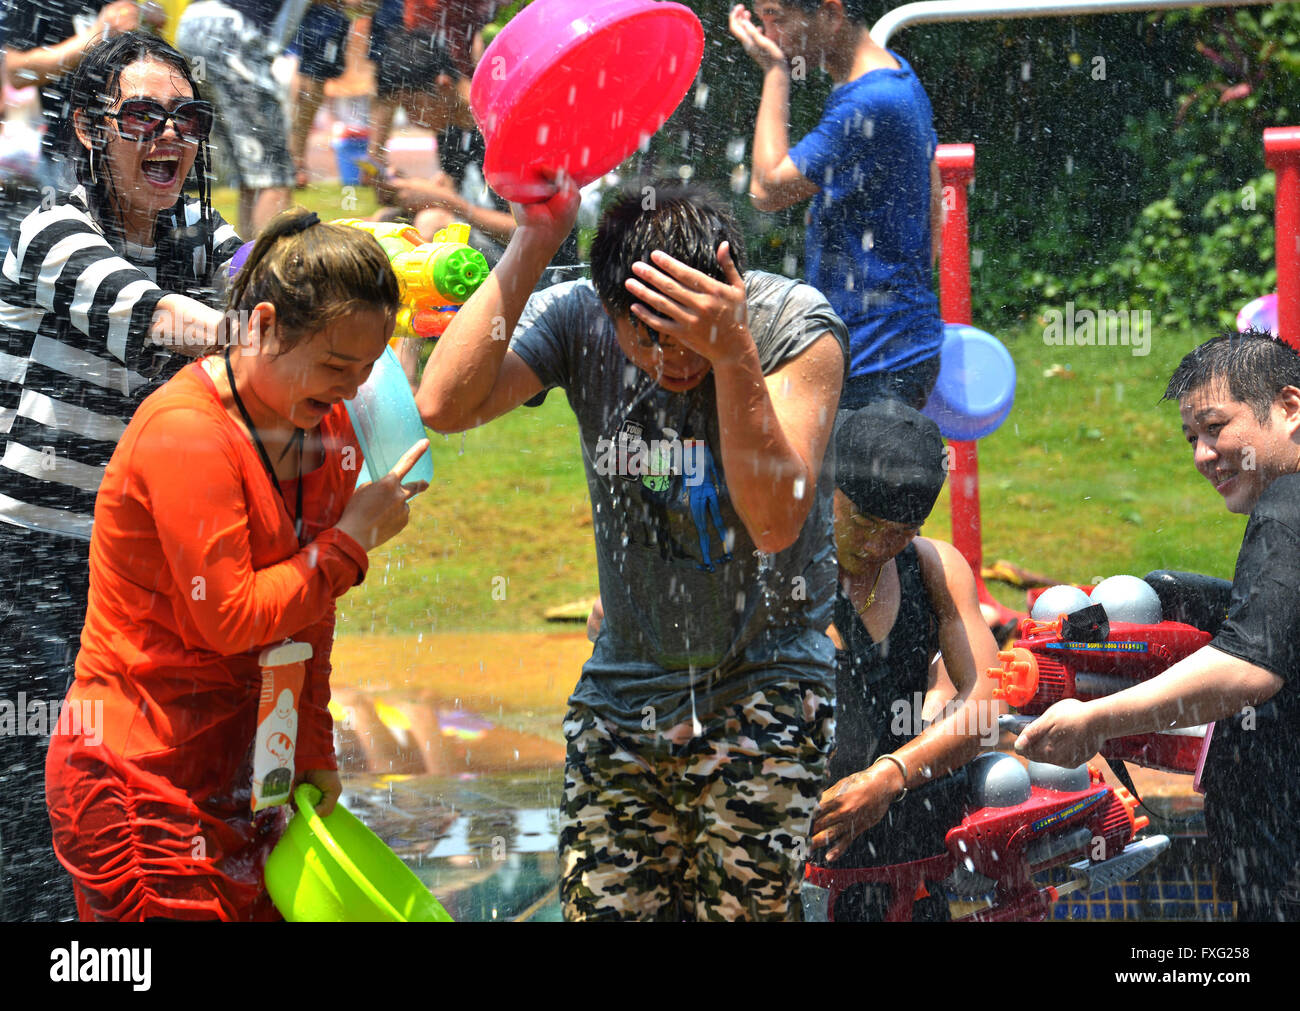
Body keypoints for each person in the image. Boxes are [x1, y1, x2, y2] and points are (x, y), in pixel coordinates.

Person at [417, 180, 847, 920]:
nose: (669, 357)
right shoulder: (577, 316)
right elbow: (443, 404)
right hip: (625, 685)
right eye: (644, 335)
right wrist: (534, 241)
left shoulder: (791, 326)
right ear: (609, 308)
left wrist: (733, 350)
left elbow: (776, 522)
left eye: (686, 334)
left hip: (767, 681)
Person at [44, 209, 429, 921]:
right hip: (139, 780)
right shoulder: (188, 434)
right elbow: (231, 619)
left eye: (367, 370)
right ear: (260, 325)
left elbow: (309, 616)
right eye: (335, 364)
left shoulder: (329, 427)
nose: (350, 388)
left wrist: (313, 748)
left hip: (248, 777)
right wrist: (350, 540)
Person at [0, 30, 242, 922]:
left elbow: (270, 274)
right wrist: (275, 333)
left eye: (187, 118)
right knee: (33, 786)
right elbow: (157, 318)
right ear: (95, 133)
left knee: (132, 774)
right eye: (142, 116)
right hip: (31, 559)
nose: (167, 136)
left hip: (136, 570)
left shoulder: (200, 235)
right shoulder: (54, 229)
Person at [1016, 329, 1300, 922]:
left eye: (1216, 427)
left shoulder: (1285, 508)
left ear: (1288, 407)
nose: (1201, 454)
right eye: (1191, 437)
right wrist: (1183, 596)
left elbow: (1249, 668)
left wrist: (1095, 718)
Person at [804, 400, 1000, 921]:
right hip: (799, 860)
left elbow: (985, 706)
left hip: (911, 855)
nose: (877, 545)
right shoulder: (779, 571)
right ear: (829, 489)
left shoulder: (936, 568)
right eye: (864, 521)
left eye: (900, 531)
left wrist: (890, 776)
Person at [729, 0, 943, 410]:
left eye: (777, 17)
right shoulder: (893, 75)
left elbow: (766, 189)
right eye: (761, 20)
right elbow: (935, 205)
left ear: (830, 12)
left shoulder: (870, 100)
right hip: (894, 347)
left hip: (875, 360)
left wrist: (775, 73)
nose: (768, 35)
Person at [1, 0, 167, 190]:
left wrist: (152, 30)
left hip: (137, 140)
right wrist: (98, 33)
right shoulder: (34, 4)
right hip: (70, 154)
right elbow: (15, 73)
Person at [174, 0, 300, 236]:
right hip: (232, 31)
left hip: (195, 24)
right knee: (273, 173)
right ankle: (270, 267)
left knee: (252, 171)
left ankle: (246, 263)